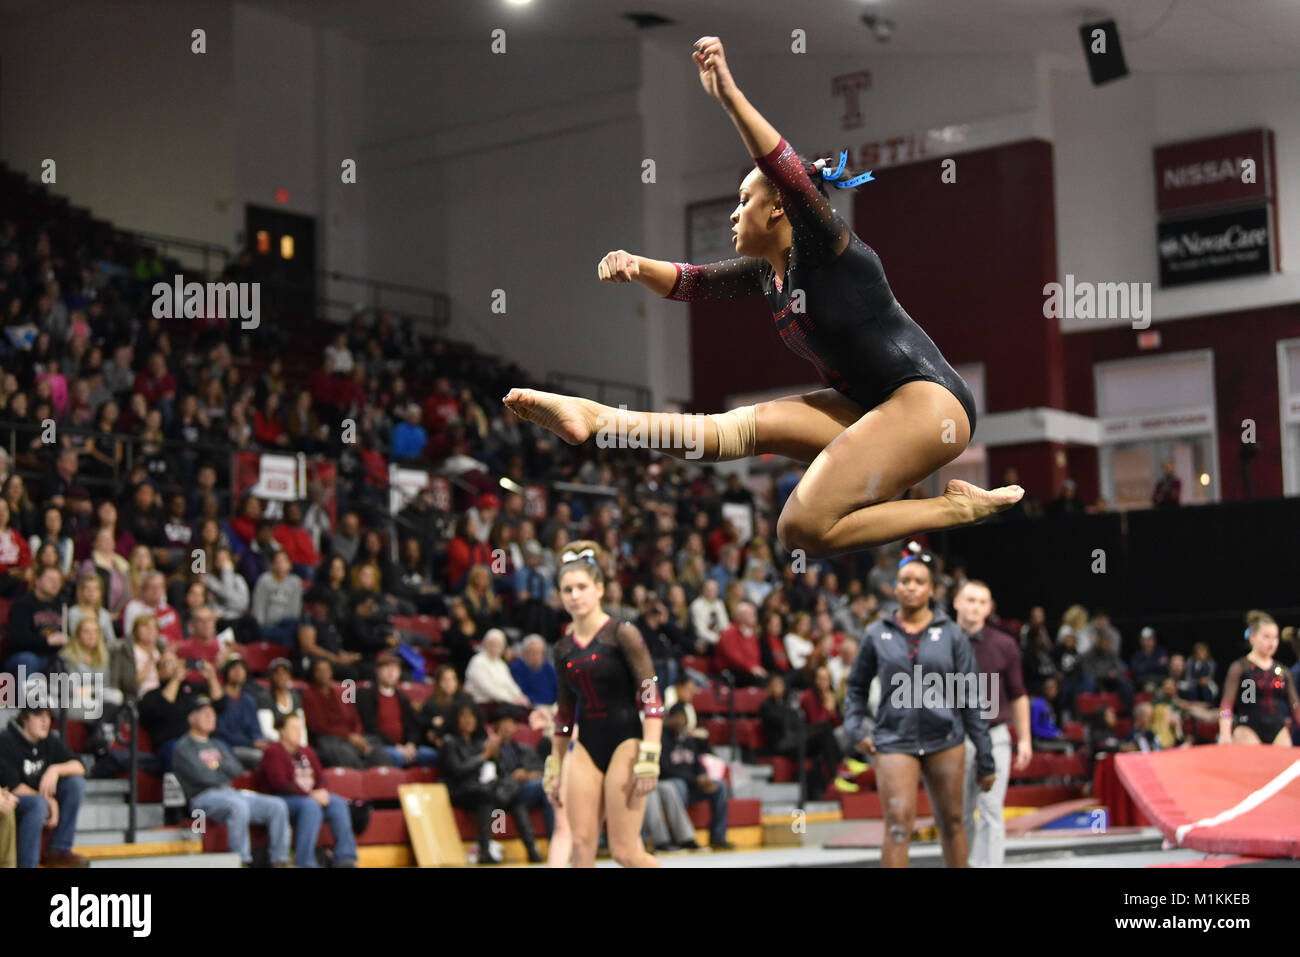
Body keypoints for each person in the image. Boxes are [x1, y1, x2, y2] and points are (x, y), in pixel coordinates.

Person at [504, 38, 1023, 561]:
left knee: (800, 526)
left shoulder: (826, 248)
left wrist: (727, 94)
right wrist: (637, 266)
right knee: (735, 432)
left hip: (929, 403)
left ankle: (956, 509)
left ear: (779, 209)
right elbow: (693, 282)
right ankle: (595, 419)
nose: (734, 214)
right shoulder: (766, 274)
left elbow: (786, 171)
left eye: (744, 200)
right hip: (870, 405)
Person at [843, 550, 994, 867]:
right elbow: (855, 687)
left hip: (945, 738)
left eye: (919, 581)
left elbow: (971, 695)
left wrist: (985, 754)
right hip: (893, 739)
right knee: (898, 824)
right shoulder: (876, 633)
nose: (911, 587)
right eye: (905, 581)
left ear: (931, 589)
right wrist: (855, 729)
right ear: (895, 587)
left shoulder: (952, 634)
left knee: (953, 822)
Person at [545, 540, 662, 868]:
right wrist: (554, 766)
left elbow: (651, 697)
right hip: (586, 746)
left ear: (599, 589)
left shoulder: (622, 634)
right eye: (567, 589)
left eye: (582, 587)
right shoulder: (563, 649)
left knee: (625, 852)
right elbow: (565, 714)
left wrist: (650, 755)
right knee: (580, 848)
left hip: (626, 741)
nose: (575, 595)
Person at [952, 579, 1031, 868]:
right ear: (956, 602)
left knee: (991, 809)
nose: (974, 607)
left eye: (981, 602)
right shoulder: (940, 640)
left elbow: (1018, 694)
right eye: (970, 600)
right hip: (953, 738)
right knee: (957, 812)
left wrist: (1024, 739)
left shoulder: (1004, 644)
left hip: (994, 734)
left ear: (989, 608)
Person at [172, 696, 291, 867]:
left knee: (277, 806)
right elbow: (201, 777)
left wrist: (217, 766)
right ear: (191, 718)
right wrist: (221, 769)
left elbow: (236, 769)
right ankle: (241, 860)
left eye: (212, 714)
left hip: (229, 792)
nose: (210, 717)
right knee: (238, 806)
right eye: (205, 714)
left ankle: (280, 860)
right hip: (202, 798)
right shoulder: (183, 746)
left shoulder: (218, 743)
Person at [440, 703, 542, 864]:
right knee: (488, 794)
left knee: (514, 796)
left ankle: (531, 849)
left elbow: (497, 770)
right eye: (464, 716)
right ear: (455, 719)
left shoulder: (479, 741)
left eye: (472, 716)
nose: (469, 720)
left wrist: (495, 753)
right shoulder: (449, 741)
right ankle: (485, 851)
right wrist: (483, 756)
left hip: (481, 788)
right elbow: (457, 771)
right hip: (459, 790)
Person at [255, 712, 358, 868]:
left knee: (337, 803)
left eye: (300, 728)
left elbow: (321, 777)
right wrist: (310, 795)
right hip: (281, 799)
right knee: (310, 807)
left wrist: (322, 791)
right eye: (294, 727)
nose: (298, 731)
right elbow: (280, 784)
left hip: (308, 797)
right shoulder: (273, 751)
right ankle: (305, 861)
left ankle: (346, 858)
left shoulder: (307, 751)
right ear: (282, 730)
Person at [0, 703, 87, 867]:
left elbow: (80, 767)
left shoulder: (49, 740)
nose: (45, 722)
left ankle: (59, 849)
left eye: (48, 717)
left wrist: (55, 769)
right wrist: (48, 801)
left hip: (39, 798)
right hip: (14, 799)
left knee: (75, 783)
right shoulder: (6, 741)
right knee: (38, 803)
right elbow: (14, 786)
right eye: (40, 716)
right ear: (25, 718)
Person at [1218, 611, 1299, 746]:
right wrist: (1225, 734)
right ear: (1253, 637)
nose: (1271, 642)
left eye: (1275, 637)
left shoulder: (1282, 670)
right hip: (1248, 728)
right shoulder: (1240, 667)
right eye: (1266, 637)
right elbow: (1226, 705)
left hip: (1278, 730)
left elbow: (1295, 705)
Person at [660, 702, 732, 849]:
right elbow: (665, 769)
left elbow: (698, 764)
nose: (681, 721)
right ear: (669, 718)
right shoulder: (662, 739)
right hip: (674, 785)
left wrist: (704, 776)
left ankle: (718, 836)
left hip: (693, 786)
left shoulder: (689, 740)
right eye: (677, 717)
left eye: (683, 718)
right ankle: (679, 836)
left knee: (721, 786)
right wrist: (695, 779)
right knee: (678, 785)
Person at [300, 657, 393, 768]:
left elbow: (355, 718)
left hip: (352, 736)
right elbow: (320, 727)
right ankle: (356, 782)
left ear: (331, 672)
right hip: (329, 739)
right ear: (314, 673)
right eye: (320, 671)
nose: (324, 674)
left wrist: (357, 734)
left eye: (327, 670)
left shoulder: (341, 692)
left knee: (379, 751)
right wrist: (349, 736)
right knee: (345, 754)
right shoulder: (309, 695)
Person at [356, 651, 438, 767]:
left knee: (433, 755)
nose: (391, 672)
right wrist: (396, 746)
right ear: (378, 671)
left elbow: (413, 725)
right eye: (387, 668)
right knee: (396, 757)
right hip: (380, 745)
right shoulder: (366, 695)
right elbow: (371, 728)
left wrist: (411, 744)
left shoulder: (402, 697)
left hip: (404, 746)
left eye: (395, 669)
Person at [489, 711, 554, 842]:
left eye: (510, 723)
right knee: (547, 786)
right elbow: (489, 776)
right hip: (506, 791)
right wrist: (513, 776)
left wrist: (529, 775)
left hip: (529, 788)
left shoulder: (524, 748)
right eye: (503, 724)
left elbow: (542, 769)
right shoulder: (491, 748)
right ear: (496, 727)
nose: (507, 727)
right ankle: (554, 839)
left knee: (552, 787)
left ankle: (560, 838)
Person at [1, 565, 68, 676]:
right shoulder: (22, 604)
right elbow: (17, 639)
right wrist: (47, 641)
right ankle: (25, 694)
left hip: (51, 656)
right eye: (51, 579)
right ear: (37, 581)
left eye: (58, 581)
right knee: (29, 660)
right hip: (23, 656)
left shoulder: (61, 606)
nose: (55, 584)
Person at [214, 657, 269, 769]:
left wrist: (257, 740)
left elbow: (255, 728)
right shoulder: (219, 700)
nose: (238, 672)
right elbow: (221, 732)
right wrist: (251, 743)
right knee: (261, 757)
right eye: (234, 668)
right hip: (226, 746)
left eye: (242, 668)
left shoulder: (249, 700)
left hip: (248, 746)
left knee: (272, 754)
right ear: (226, 672)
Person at [464, 629, 530, 718]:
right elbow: (488, 689)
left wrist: (520, 696)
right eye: (492, 644)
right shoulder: (478, 661)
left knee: (527, 709)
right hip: (482, 703)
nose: (495, 647)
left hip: (501, 702)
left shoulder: (501, 664)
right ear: (485, 644)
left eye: (499, 645)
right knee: (518, 713)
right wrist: (511, 699)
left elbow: (510, 684)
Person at [251, 550, 302, 646]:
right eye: (277, 561)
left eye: (284, 561)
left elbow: (295, 610)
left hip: (286, 624)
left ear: (290, 565)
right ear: (272, 564)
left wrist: (282, 622)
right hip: (266, 626)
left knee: (294, 628)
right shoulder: (264, 580)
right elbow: (259, 607)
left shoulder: (295, 582)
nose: (280, 565)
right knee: (287, 635)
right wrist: (259, 626)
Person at [509, 634, 558, 708]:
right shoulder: (516, 667)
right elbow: (518, 692)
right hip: (530, 706)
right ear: (525, 652)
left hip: (552, 706)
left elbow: (558, 689)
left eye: (540, 652)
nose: (537, 656)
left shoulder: (548, 667)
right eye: (533, 652)